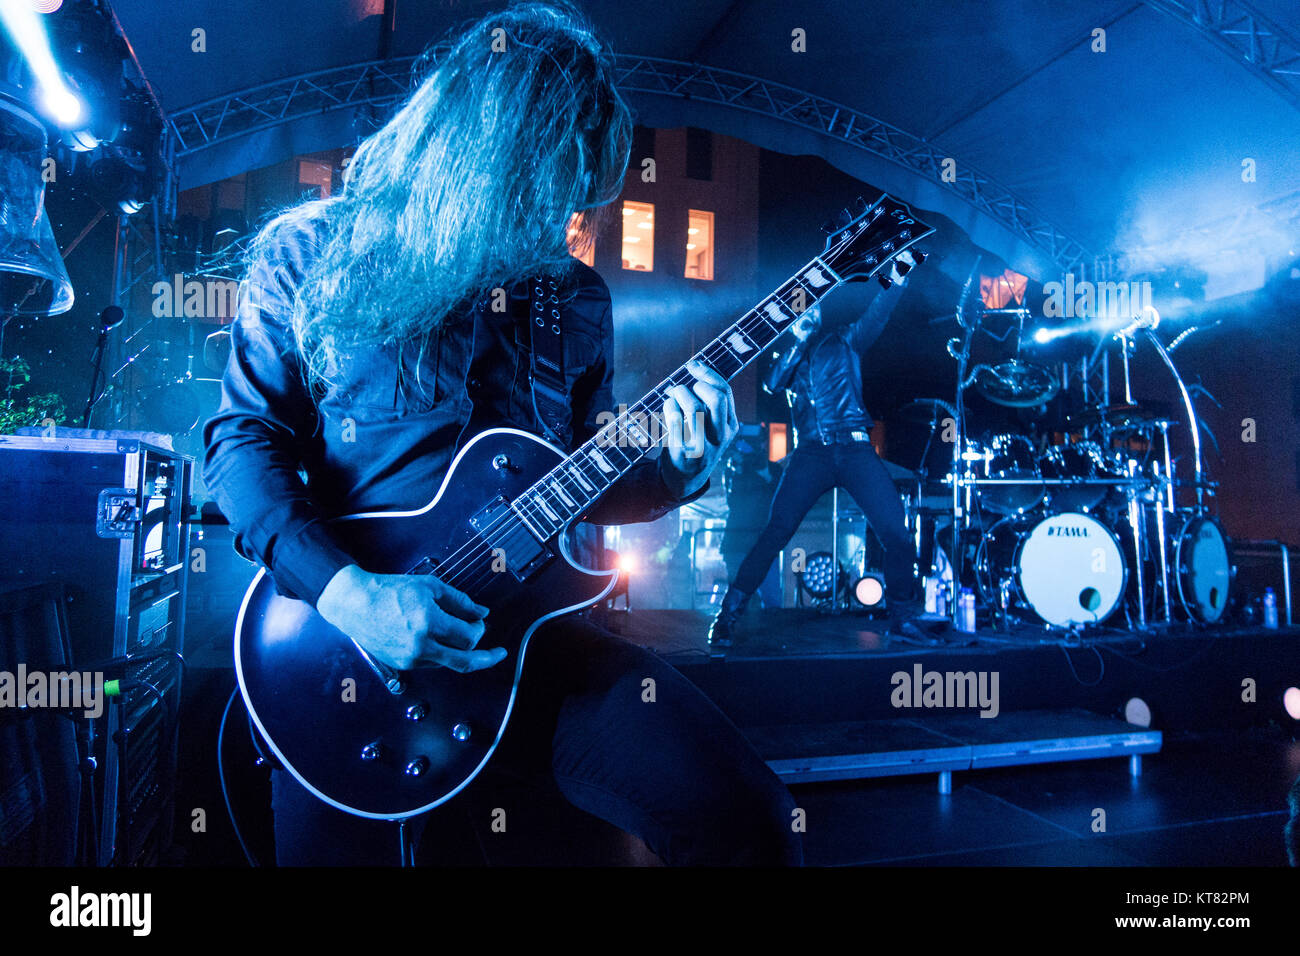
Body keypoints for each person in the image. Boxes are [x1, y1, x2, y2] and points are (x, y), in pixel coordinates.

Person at [203, 1, 800, 866]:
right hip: (339, 652)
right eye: (547, 177)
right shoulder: (314, 253)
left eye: (578, 184)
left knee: (751, 824)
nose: (564, 210)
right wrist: (349, 594)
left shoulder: (574, 297)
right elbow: (242, 442)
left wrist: (676, 472)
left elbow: (577, 480)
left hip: (527, 637)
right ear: (479, 152)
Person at [708, 254, 922, 647]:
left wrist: (897, 279)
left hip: (855, 449)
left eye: (813, 307)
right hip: (811, 455)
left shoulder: (845, 340)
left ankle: (904, 619)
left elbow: (878, 313)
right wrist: (797, 339)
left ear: (822, 312)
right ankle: (728, 613)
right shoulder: (788, 355)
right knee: (776, 532)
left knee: (897, 533)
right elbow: (773, 383)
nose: (809, 312)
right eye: (802, 309)